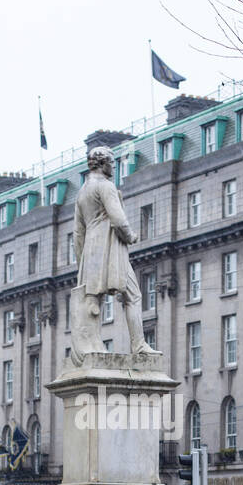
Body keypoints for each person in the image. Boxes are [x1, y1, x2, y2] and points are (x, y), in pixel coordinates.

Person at [70, 146, 159, 365]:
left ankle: (90, 346)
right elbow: (118, 220)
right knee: (133, 295)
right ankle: (139, 344)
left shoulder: (82, 192)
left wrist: (82, 260)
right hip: (110, 247)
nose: (114, 165)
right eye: (112, 161)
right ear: (102, 163)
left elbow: (77, 232)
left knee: (93, 299)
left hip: (90, 249)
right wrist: (131, 236)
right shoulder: (106, 186)